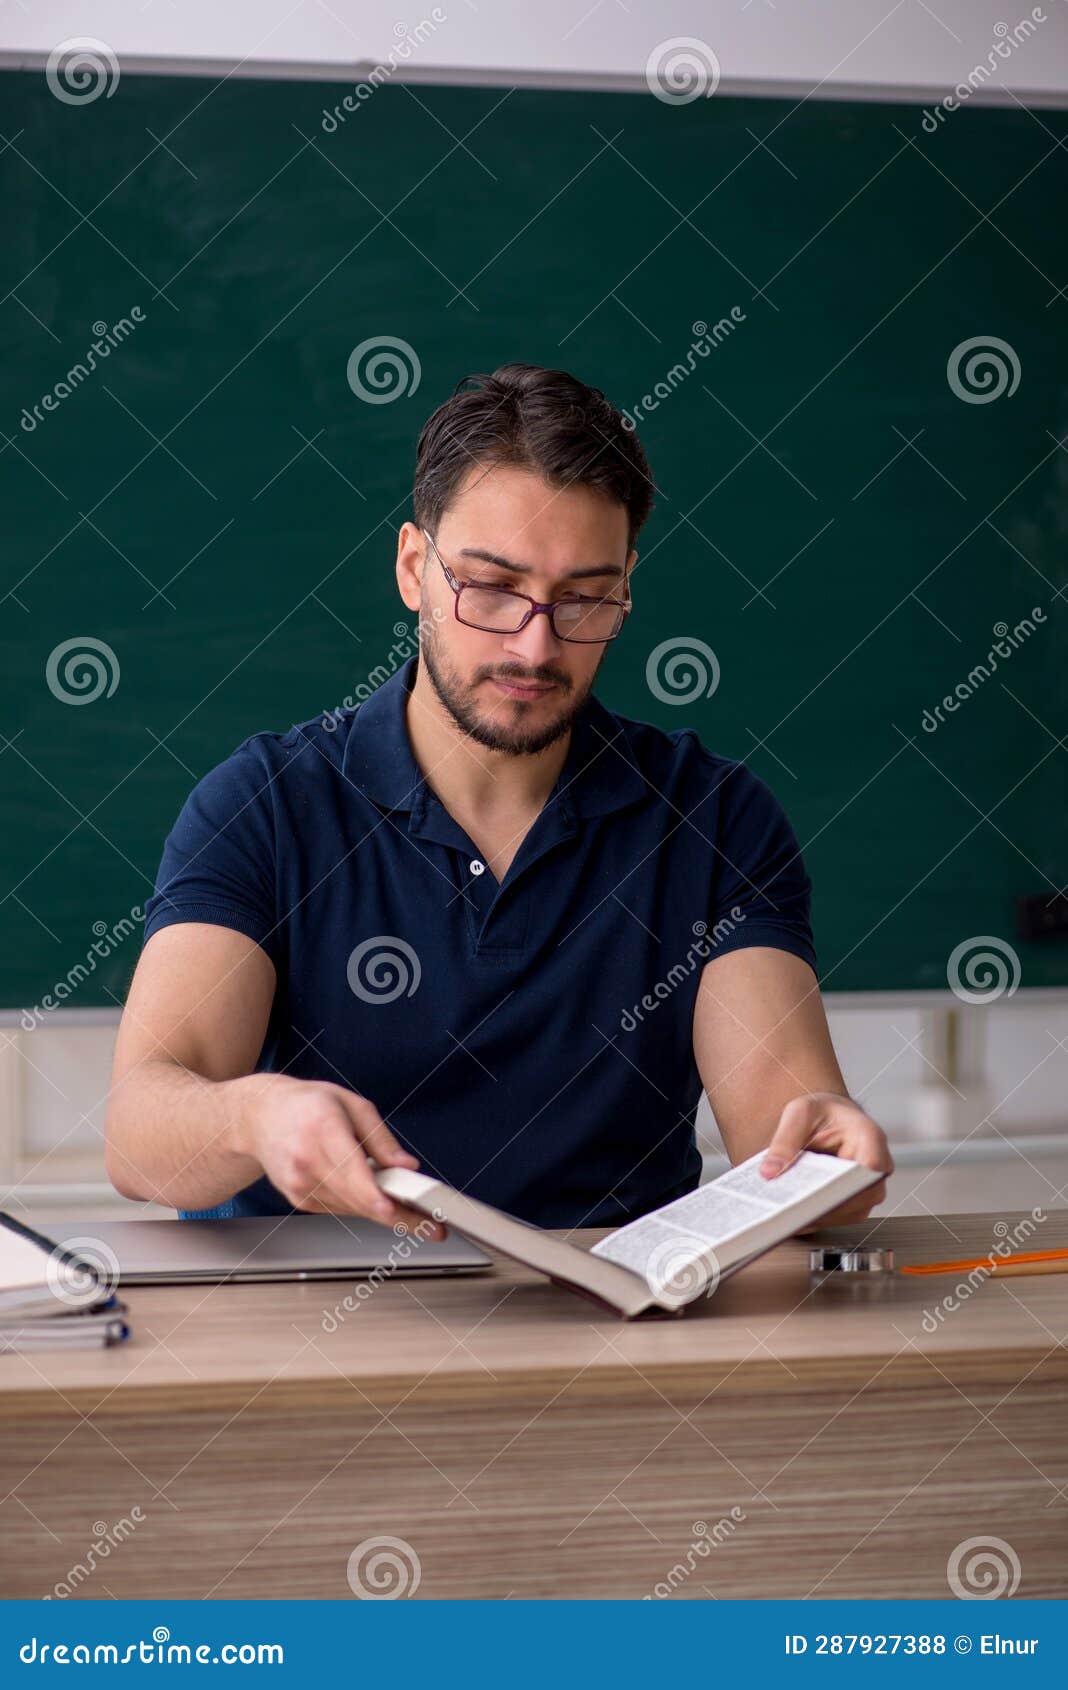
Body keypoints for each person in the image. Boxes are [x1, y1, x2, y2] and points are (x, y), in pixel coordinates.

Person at [105, 363, 892, 1237]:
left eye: (583, 599)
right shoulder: (264, 805)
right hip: (317, 1332)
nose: (535, 643)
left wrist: (825, 1166)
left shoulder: (714, 818)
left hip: (618, 1331)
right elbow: (139, 1136)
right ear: (413, 569)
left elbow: (784, 1129)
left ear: (626, 587)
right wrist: (251, 1116)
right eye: (490, 588)